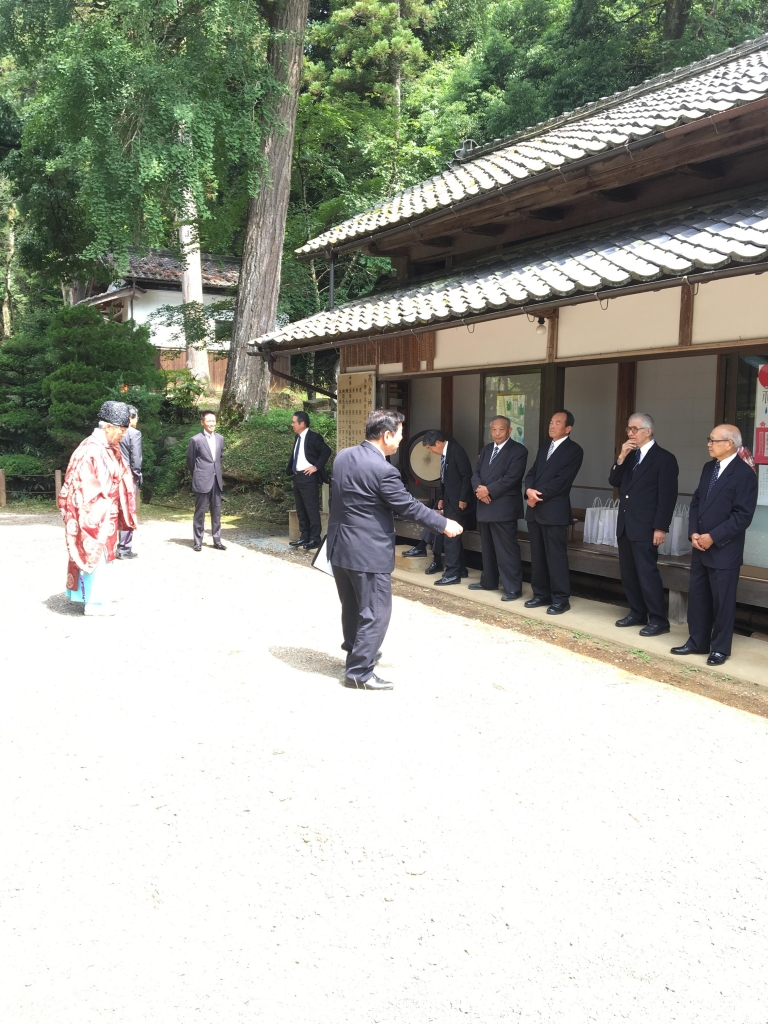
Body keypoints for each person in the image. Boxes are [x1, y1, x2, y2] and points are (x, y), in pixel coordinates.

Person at [328, 409, 464, 690]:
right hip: (368, 550)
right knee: (376, 610)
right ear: (387, 434)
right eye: (400, 433)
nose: (402, 439)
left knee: (353, 606)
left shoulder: (344, 456)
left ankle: (355, 654)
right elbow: (408, 506)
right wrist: (444, 523)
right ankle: (359, 672)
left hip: (341, 545)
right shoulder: (383, 470)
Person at [671, 425, 758, 666]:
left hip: (724, 548)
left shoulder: (744, 474)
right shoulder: (709, 468)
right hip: (700, 546)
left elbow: (742, 516)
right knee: (698, 596)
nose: (709, 444)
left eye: (713, 440)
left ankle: (720, 647)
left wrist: (713, 537)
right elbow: (696, 502)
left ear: (729, 443)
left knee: (723, 601)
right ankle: (697, 641)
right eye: (708, 439)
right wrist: (694, 533)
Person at [58, 401, 137, 616]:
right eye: (121, 430)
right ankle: (94, 603)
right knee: (95, 553)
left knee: (105, 557)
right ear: (108, 427)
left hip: (105, 509)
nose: (122, 435)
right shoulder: (90, 450)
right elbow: (84, 486)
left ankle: (100, 598)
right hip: (94, 511)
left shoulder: (107, 448)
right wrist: (103, 503)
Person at [609, 412, 678, 636]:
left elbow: (668, 497)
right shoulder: (630, 456)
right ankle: (637, 612)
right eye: (628, 429)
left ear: (648, 431)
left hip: (647, 526)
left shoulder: (664, 458)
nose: (630, 433)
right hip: (627, 524)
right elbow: (614, 481)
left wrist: (661, 527)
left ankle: (658, 619)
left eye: (635, 429)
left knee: (647, 573)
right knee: (628, 573)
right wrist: (621, 456)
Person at [524, 410, 584, 614]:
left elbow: (562, 482)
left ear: (568, 428)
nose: (552, 425)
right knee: (538, 555)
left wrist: (535, 495)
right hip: (535, 509)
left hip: (554, 510)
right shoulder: (544, 448)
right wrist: (528, 491)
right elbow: (531, 473)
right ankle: (540, 594)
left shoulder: (574, 450)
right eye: (551, 421)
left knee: (556, 556)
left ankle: (560, 599)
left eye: (557, 422)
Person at [469, 415, 528, 601]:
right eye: (494, 429)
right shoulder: (486, 450)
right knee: (487, 547)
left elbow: (512, 478)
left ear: (509, 430)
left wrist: (489, 491)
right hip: (484, 504)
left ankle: (512, 587)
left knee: (506, 549)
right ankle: (489, 581)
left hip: (503, 506)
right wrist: (479, 490)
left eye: (501, 429)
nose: (497, 433)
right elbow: (476, 472)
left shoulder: (518, 451)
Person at [422, 429, 474, 586]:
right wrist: (441, 498)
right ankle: (461, 568)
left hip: (458, 501)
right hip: (449, 499)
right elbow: (445, 479)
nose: (432, 451)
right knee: (454, 536)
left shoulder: (456, 451)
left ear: (438, 443)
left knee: (451, 537)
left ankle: (452, 573)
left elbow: (467, 475)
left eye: (431, 448)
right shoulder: (445, 453)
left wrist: (464, 498)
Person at [286, 411, 332, 550]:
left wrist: (316, 467)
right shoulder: (297, 438)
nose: (292, 424)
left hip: (309, 477)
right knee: (301, 509)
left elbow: (326, 451)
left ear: (302, 423)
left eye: (294, 422)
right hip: (297, 476)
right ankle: (304, 536)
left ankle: (315, 539)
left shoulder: (314, 437)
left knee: (311, 509)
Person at [187, 410, 226, 552]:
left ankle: (217, 540)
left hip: (216, 480)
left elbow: (219, 457)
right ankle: (198, 541)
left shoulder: (220, 438)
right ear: (202, 422)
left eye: (213, 421)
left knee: (216, 512)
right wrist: (198, 474)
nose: (212, 423)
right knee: (200, 512)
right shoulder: (195, 440)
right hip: (202, 480)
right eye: (208, 421)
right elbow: (190, 461)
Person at [117, 405, 142, 559]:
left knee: (114, 512)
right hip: (128, 477)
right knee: (128, 512)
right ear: (131, 417)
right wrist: (137, 475)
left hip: (114, 476)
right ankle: (124, 548)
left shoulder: (115, 432)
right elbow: (136, 458)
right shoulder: (134, 433)